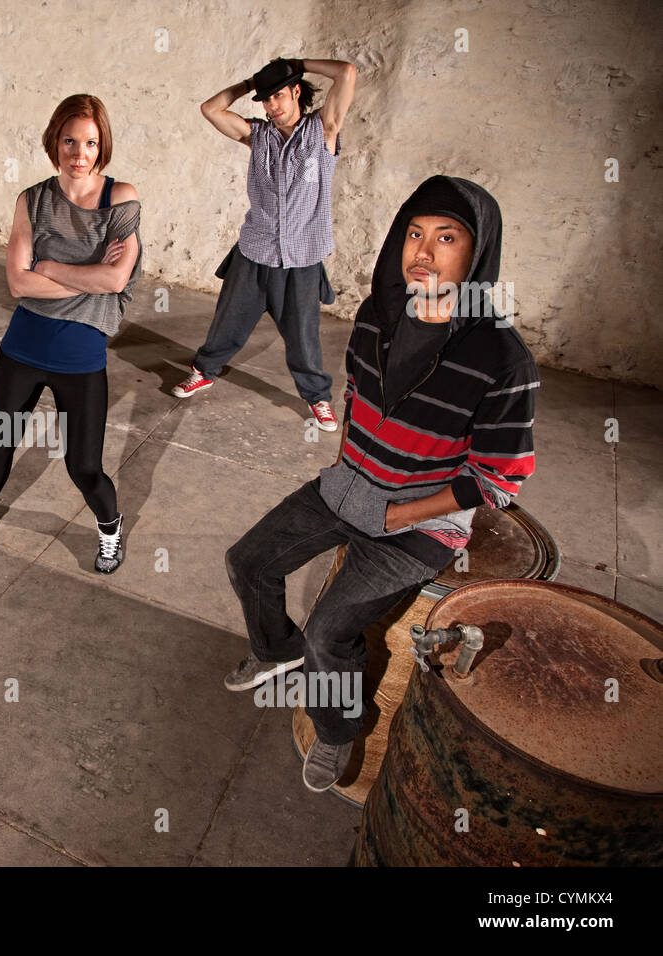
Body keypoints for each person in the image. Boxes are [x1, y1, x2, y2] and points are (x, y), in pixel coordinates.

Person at [221, 176, 537, 792]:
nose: (423, 251)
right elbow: (357, 395)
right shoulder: (378, 315)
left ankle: (336, 731)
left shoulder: (502, 358)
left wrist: (400, 515)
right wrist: (347, 473)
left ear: (477, 255)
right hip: (347, 489)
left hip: (418, 527)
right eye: (414, 234)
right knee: (248, 561)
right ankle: (275, 649)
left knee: (329, 632)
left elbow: (500, 480)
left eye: (447, 238)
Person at [0, 94, 141, 573]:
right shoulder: (31, 200)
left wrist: (49, 266)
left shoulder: (122, 196)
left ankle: (110, 528)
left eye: (91, 143)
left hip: (81, 357)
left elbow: (115, 281)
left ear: (103, 146)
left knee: (84, 467)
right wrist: (86, 272)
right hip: (23, 348)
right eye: (70, 140)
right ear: (54, 142)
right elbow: (17, 282)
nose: (80, 153)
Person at [173, 57, 357, 433]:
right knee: (228, 321)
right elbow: (210, 109)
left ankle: (317, 397)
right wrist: (251, 82)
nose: (272, 105)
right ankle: (203, 371)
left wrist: (298, 63)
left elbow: (347, 73)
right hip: (255, 249)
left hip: (302, 256)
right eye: (265, 99)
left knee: (303, 334)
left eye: (278, 95)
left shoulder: (323, 130)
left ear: (297, 91)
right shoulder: (259, 135)